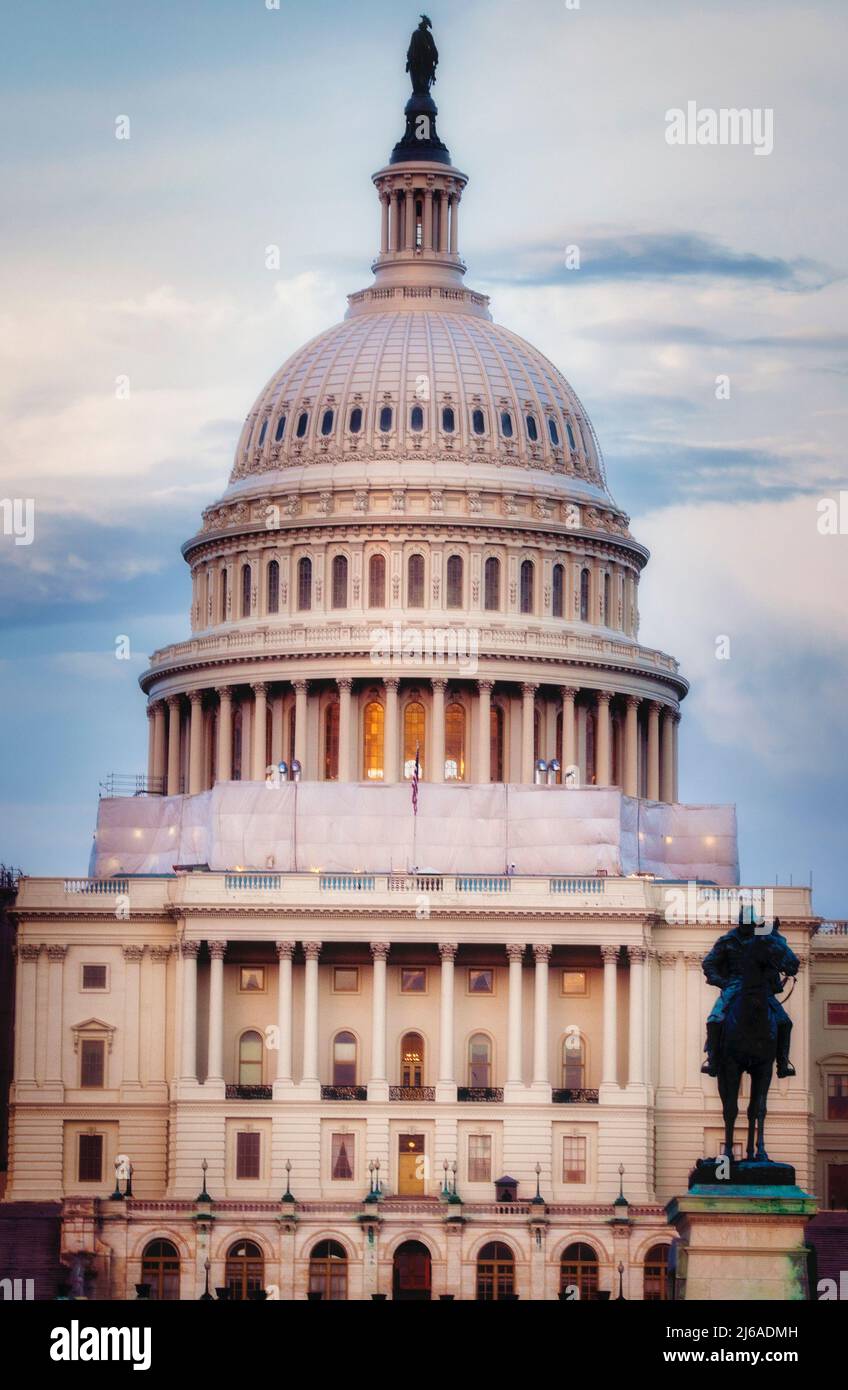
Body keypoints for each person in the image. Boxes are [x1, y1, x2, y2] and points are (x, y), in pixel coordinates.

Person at [701, 911, 799, 1077]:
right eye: (746, 924)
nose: (749, 928)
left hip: (761, 986)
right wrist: (722, 982)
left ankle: (783, 1063)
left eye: (752, 925)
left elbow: (778, 952)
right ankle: (713, 1059)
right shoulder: (727, 940)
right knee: (714, 1019)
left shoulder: (762, 938)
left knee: (784, 1022)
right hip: (734, 984)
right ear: (740, 923)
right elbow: (709, 963)